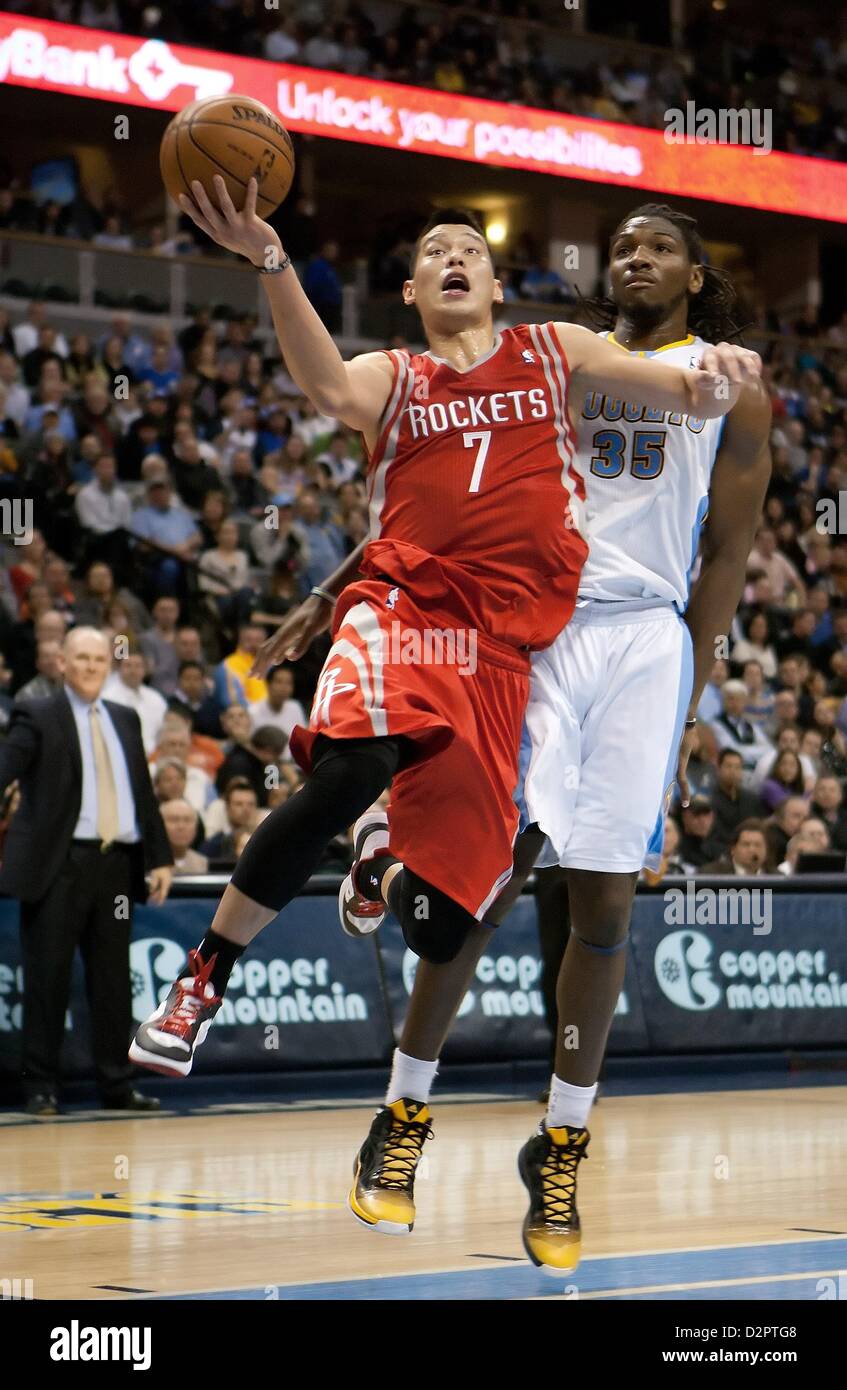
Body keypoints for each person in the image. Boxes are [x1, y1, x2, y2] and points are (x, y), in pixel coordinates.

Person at [129, 184, 758, 1273]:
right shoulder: (541, 351)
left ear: (695, 275)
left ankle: (561, 1138)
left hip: (631, 639)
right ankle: (399, 1104)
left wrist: (689, 708)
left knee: (594, 899)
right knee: (480, 880)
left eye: (661, 247)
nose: (637, 258)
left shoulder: (653, 370)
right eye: (622, 245)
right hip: (525, 629)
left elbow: (722, 537)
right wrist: (342, 584)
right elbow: (429, 490)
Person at [0, 627, 172, 1114]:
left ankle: (117, 1086)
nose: (92, 666)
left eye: (99, 658)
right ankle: (40, 1088)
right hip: (60, 865)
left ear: (109, 663)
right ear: (62, 661)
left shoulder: (125, 717)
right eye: (82, 657)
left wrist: (159, 856)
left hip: (117, 866)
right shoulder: (37, 713)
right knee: (47, 978)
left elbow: (142, 791)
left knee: (114, 981)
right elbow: (6, 768)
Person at [710, 748, 765, 846]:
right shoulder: (711, 800)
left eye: (737, 767)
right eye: (728, 766)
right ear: (718, 769)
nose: (733, 771)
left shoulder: (752, 799)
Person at [700, 819, 769, 875]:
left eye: (758, 845)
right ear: (733, 849)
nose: (752, 850)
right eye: (746, 844)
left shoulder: (776, 876)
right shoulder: (710, 874)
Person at [160, 798, 209, 876]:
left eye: (187, 820)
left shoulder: (202, 862)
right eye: (174, 820)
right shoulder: (148, 862)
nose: (181, 826)